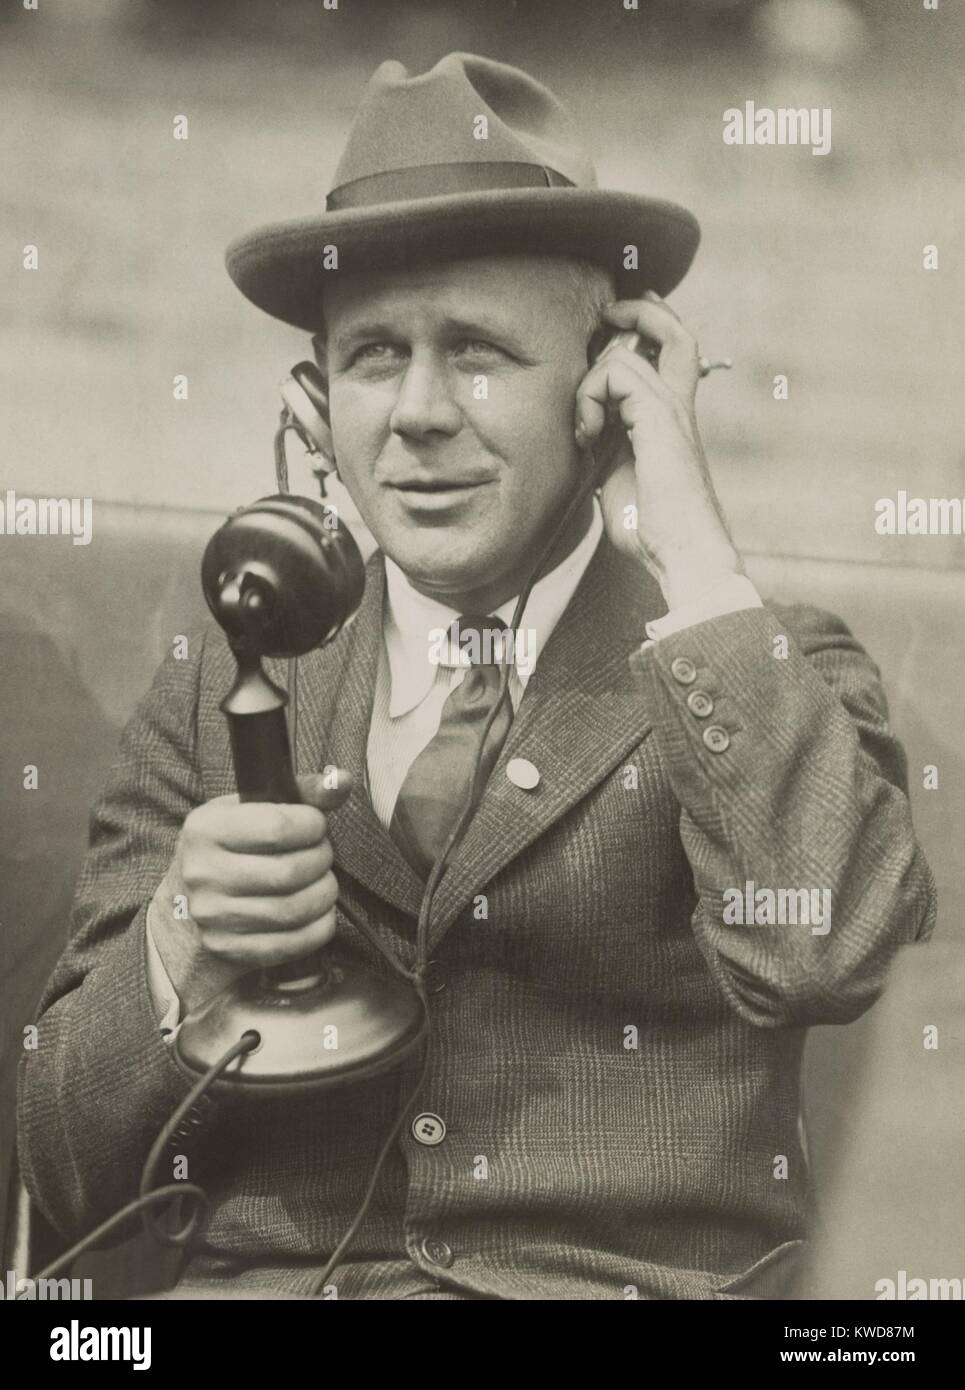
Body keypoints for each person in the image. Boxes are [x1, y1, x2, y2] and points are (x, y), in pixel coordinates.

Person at [18, 53, 935, 1301]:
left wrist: (689, 543)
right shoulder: (223, 682)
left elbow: (824, 952)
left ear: (608, 390)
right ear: (314, 400)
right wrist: (181, 940)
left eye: (482, 352)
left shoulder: (764, 665)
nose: (420, 413)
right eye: (376, 356)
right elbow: (61, 1169)